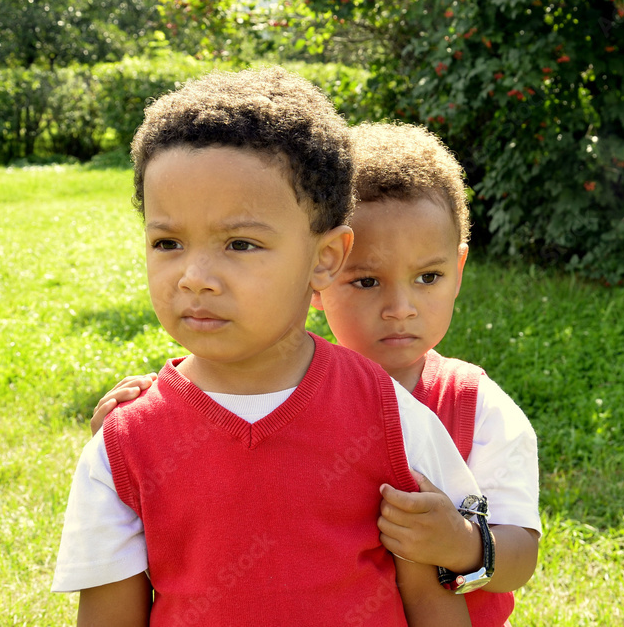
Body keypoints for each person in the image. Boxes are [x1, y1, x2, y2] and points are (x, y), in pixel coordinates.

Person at [52, 68, 479, 627]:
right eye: (168, 242)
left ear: (325, 258)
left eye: (241, 243)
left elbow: (434, 595)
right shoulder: (125, 443)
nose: (195, 277)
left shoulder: (389, 415)